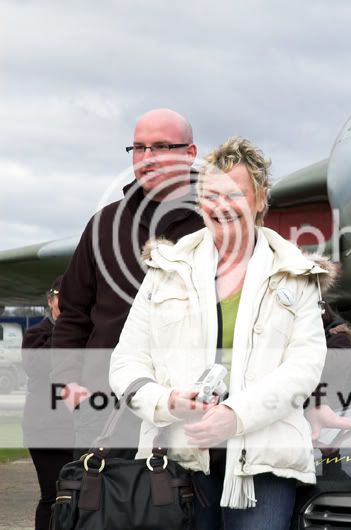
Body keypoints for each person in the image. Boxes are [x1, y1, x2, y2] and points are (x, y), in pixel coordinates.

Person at [109, 137, 330, 529]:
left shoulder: (296, 274)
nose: (221, 205)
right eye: (211, 195)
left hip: (264, 464)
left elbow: (305, 367)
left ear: (260, 200)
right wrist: (167, 401)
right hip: (180, 461)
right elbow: (126, 364)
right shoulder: (166, 270)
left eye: (235, 194)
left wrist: (235, 415)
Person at [51, 109, 205, 454]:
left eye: (161, 146)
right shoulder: (104, 224)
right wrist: (68, 382)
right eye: (138, 148)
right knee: (95, 490)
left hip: (189, 405)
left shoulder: (216, 223)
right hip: (104, 404)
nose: (147, 157)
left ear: (190, 153)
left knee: (181, 491)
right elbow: (73, 313)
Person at [21, 276, 73, 530]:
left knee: (76, 495)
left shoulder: (83, 333)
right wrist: (65, 329)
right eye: (61, 297)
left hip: (75, 428)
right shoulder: (36, 334)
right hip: (45, 431)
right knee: (52, 496)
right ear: (51, 301)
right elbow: (39, 367)